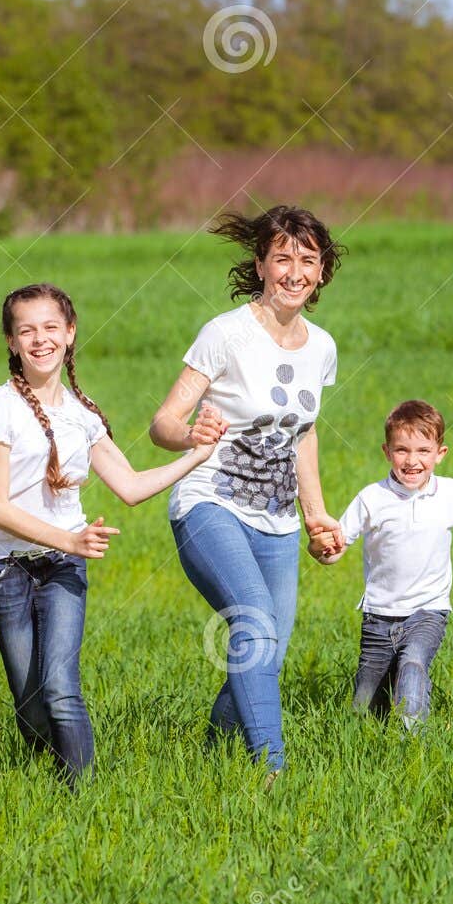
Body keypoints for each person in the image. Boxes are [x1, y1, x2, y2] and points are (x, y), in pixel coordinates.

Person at [0, 282, 219, 786]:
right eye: (27, 331)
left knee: (61, 688)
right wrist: (70, 540)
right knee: (32, 707)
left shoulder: (83, 415)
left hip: (62, 567)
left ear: (70, 333)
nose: (41, 340)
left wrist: (196, 454)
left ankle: (81, 800)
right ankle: (41, 769)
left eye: (51, 328)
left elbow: (129, 485)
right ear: (12, 342)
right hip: (5, 568)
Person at [150, 205, 346, 781]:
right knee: (255, 626)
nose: (295, 271)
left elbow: (303, 435)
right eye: (282, 258)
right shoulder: (226, 334)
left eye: (307, 260)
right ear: (259, 265)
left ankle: (213, 760)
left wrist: (315, 517)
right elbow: (162, 421)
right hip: (210, 501)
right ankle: (273, 770)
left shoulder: (322, 348)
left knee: (267, 653)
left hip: (279, 519)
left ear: (321, 271)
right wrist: (189, 434)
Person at [313, 400, 453, 731]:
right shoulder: (371, 498)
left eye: (423, 450)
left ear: (440, 453)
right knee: (365, 707)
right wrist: (319, 547)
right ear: (387, 452)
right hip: (378, 615)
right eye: (402, 450)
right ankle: (373, 745)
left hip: (428, 611)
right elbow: (334, 550)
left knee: (413, 664)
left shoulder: (452, 494)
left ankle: (413, 740)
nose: (412, 460)